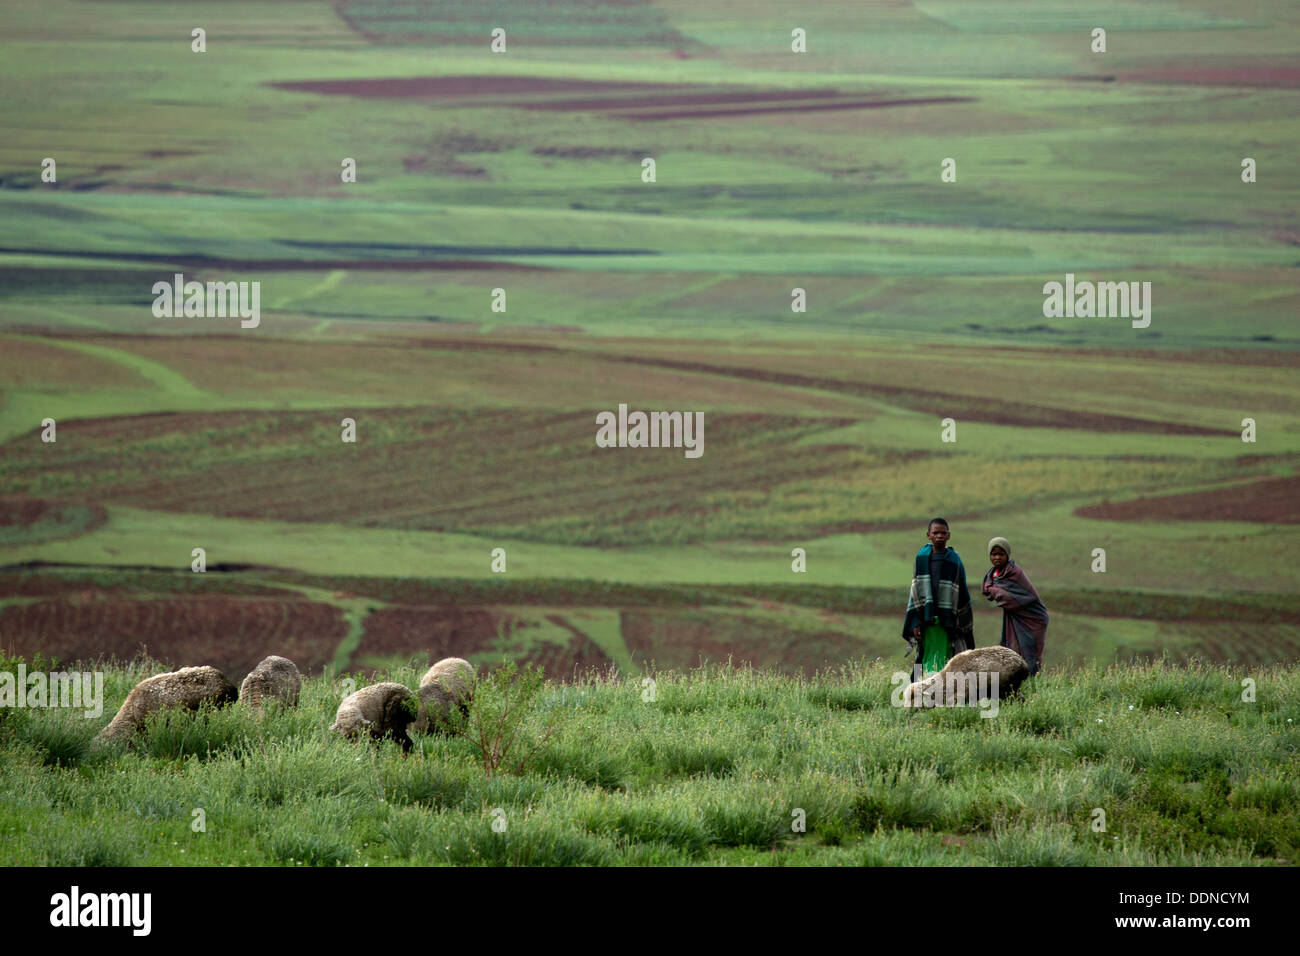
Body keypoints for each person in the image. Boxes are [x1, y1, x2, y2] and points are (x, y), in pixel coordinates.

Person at [902, 517, 973, 678]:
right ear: (928, 535)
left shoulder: (954, 560)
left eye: (943, 533)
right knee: (924, 656)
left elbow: (961, 591)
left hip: (947, 622)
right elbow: (916, 591)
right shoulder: (921, 559)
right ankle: (922, 692)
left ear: (949, 535)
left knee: (946, 657)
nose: (939, 536)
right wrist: (915, 622)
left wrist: (961, 621)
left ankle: (941, 692)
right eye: (935, 533)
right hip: (926, 621)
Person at [981, 536, 1049, 676]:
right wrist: (994, 590)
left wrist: (993, 590)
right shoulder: (992, 575)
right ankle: (1016, 682)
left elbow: (1016, 597)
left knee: (1029, 654)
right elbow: (994, 591)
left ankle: (1032, 683)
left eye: (1001, 554)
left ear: (1008, 555)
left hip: (1032, 619)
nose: (997, 558)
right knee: (1013, 652)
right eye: (994, 554)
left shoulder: (1014, 573)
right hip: (1015, 618)